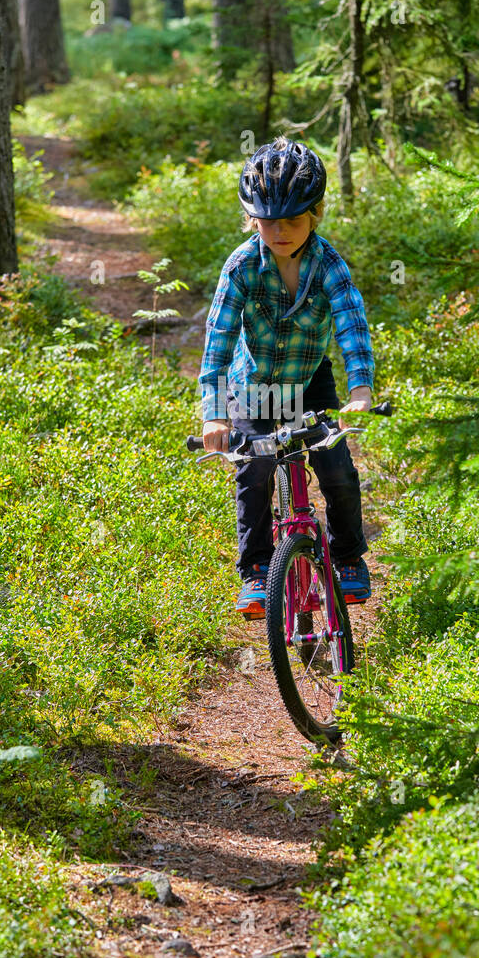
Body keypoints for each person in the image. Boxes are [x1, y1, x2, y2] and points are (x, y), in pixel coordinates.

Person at [198, 136, 376, 616]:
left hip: (310, 381)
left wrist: (360, 390)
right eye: (268, 221)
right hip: (252, 387)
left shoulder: (328, 264)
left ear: (314, 216)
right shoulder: (240, 267)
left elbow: (351, 327)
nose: (280, 231)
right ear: (252, 218)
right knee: (253, 469)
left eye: (293, 220)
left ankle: (348, 559)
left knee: (337, 468)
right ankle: (257, 570)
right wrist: (215, 416)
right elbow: (217, 344)